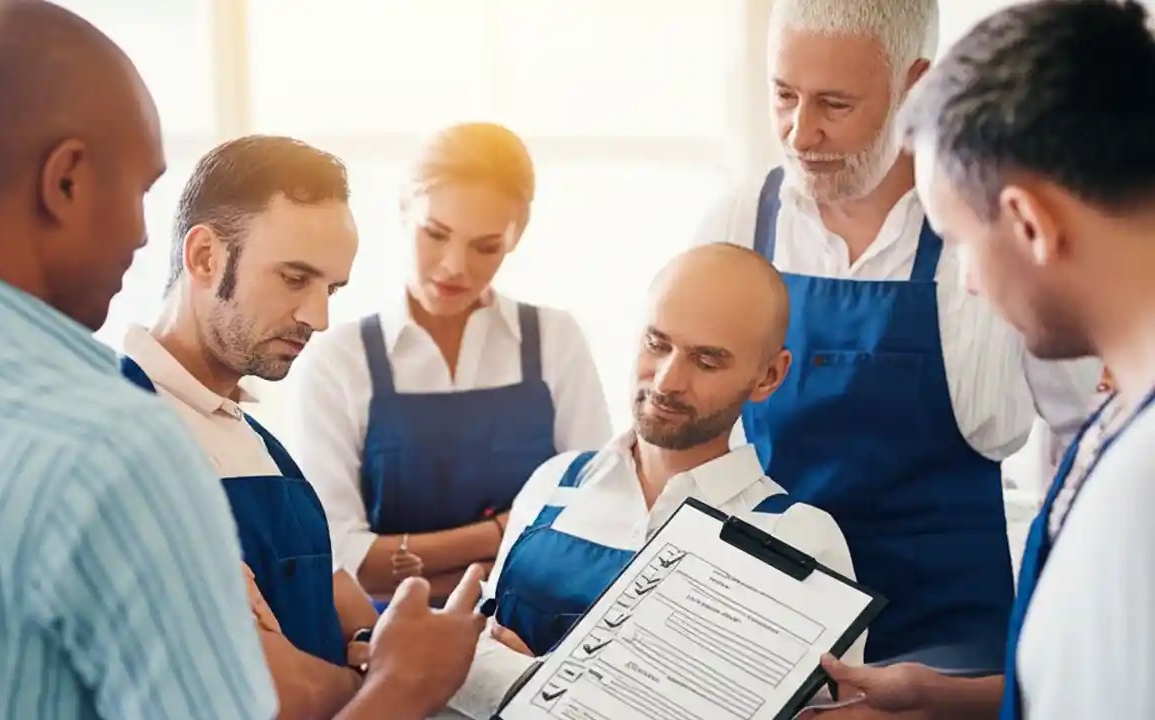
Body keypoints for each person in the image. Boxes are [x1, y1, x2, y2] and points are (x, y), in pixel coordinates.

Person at [0, 2, 482, 719]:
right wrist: (401, 685)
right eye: (138, 191)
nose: (139, 234)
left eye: (332, 288)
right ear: (65, 180)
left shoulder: (252, 442)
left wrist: (359, 647)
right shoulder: (112, 446)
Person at [691, 0, 1100, 671]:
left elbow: (1096, 440)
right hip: (768, 619)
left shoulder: (995, 236)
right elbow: (682, 429)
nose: (800, 132)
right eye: (783, 95)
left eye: (834, 104)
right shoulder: (740, 220)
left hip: (953, 632)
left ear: (917, 86)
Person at [810, 1, 1155, 718]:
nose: (965, 277)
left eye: (960, 239)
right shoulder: (1119, 418)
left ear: (1030, 223)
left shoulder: (1143, 478)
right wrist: (935, 699)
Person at [444, 244, 861, 719]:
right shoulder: (555, 486)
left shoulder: (801, 541)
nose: (666, 382)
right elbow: (461, 658)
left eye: (706, 361)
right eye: (657, 344)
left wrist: (523, 682)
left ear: (768, 376)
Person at [118, 135, 392, 716]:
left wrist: (385, 647)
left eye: (331, 289)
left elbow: (350, 608)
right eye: (295, 279)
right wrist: (384, 676)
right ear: (205, 258)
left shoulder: (258, 442)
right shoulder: (124, 438)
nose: (317, 318)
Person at [291, 122, 612, 603]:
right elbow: (345, 563)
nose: (454, 266)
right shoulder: (338, 360)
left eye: (486, 246)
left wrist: (408, 561)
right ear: (404, 209)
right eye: (436, 234)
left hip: (529, 636)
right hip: (386, 642)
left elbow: (592, 520)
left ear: (517, 234)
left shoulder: (556, 340)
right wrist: (500, 536)